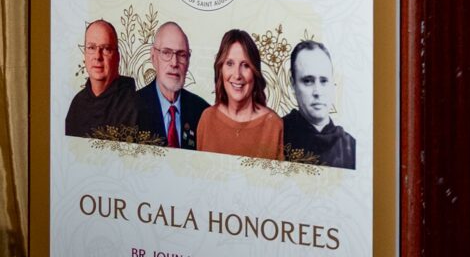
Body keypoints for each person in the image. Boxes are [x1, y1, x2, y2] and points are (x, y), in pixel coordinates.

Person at [195, 29, 284, 159]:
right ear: (220, 70)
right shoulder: (207, 119)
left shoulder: (273, 125)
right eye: (229, 63)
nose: (237, 75)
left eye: (245, 65)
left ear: (254, 72)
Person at [131, 21, 211, 150]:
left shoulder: (203, 112)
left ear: (188, 61)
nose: (174, 63)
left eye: (181, 55)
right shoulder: (131, 109)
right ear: (153, 57)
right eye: (166, 53)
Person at [281, 40, 357, 169]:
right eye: (308, 81)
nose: (318, 92)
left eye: (324, 80)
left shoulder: (350, 147)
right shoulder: (276, 136)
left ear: (333, 84)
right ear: (293, 85)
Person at [64, 19, 136, 138]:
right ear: (85, 54)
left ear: (117, 57)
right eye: (91, 48)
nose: (97, 56)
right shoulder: (77, 105)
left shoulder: (134, 105)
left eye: (106, 48)